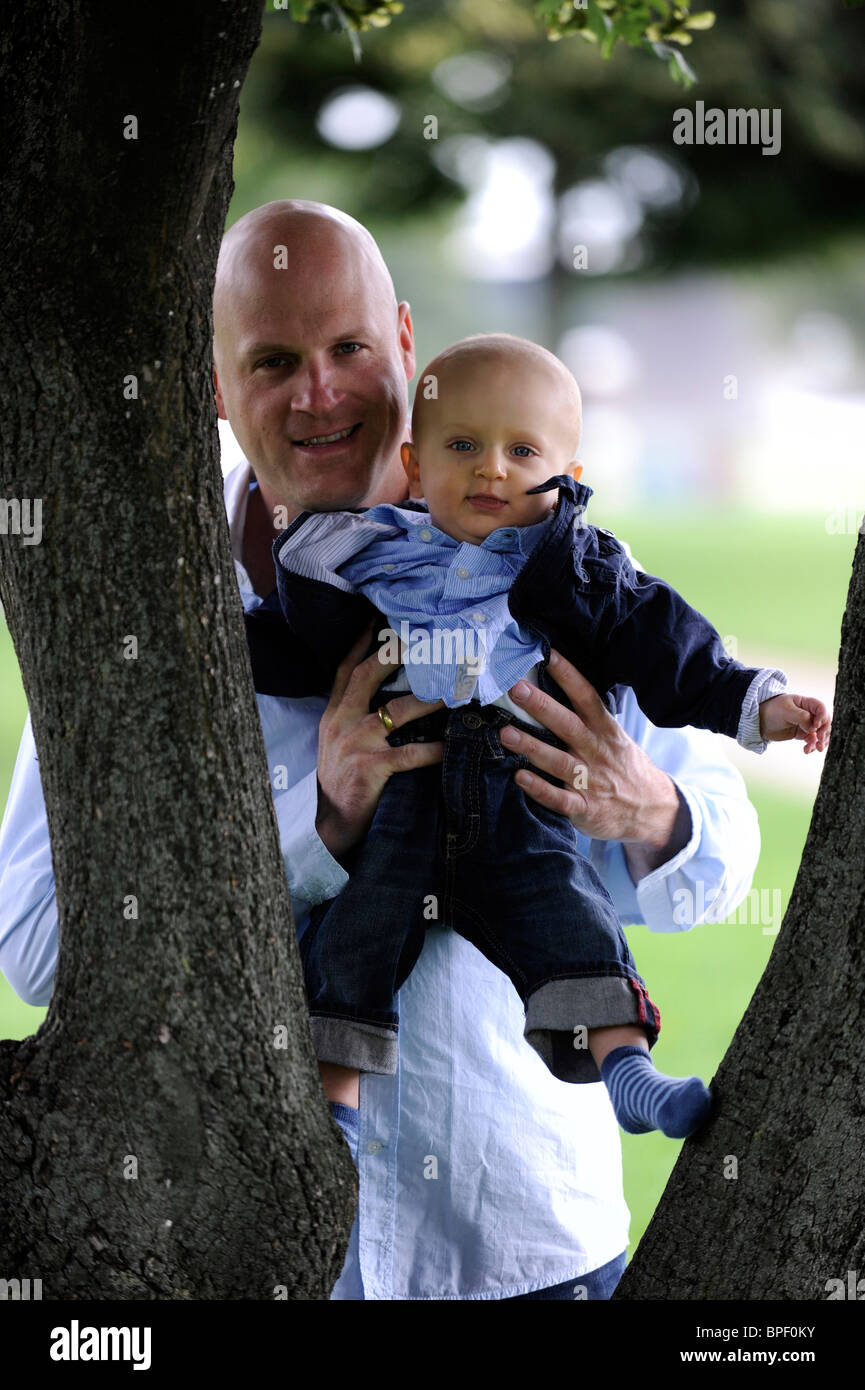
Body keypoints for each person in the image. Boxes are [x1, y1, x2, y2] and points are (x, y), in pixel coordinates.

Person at [0, 200, 767, 1300]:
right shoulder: (163, 615)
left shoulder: (556, 567)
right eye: (272, 359)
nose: (319, 394)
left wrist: (644, 808)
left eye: (348, 348)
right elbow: (35, 942)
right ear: (215, 385)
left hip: (530, 1244)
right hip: (267, 1259)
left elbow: (721, 854)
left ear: (404, 344)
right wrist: (316, 823)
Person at [248, 331, 830, 1142]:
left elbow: (667, 646)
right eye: (463, 446)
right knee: (355, 934)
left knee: (565, 911)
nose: (492, 469)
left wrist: (751, 703)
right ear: (415, 465)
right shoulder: (367, 558)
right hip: (401, 799)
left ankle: (627, 1072)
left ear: (567, 478)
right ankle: (335, 1110)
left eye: (522, 451)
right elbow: (279, 641)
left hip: (517, 792)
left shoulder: (582, 573)